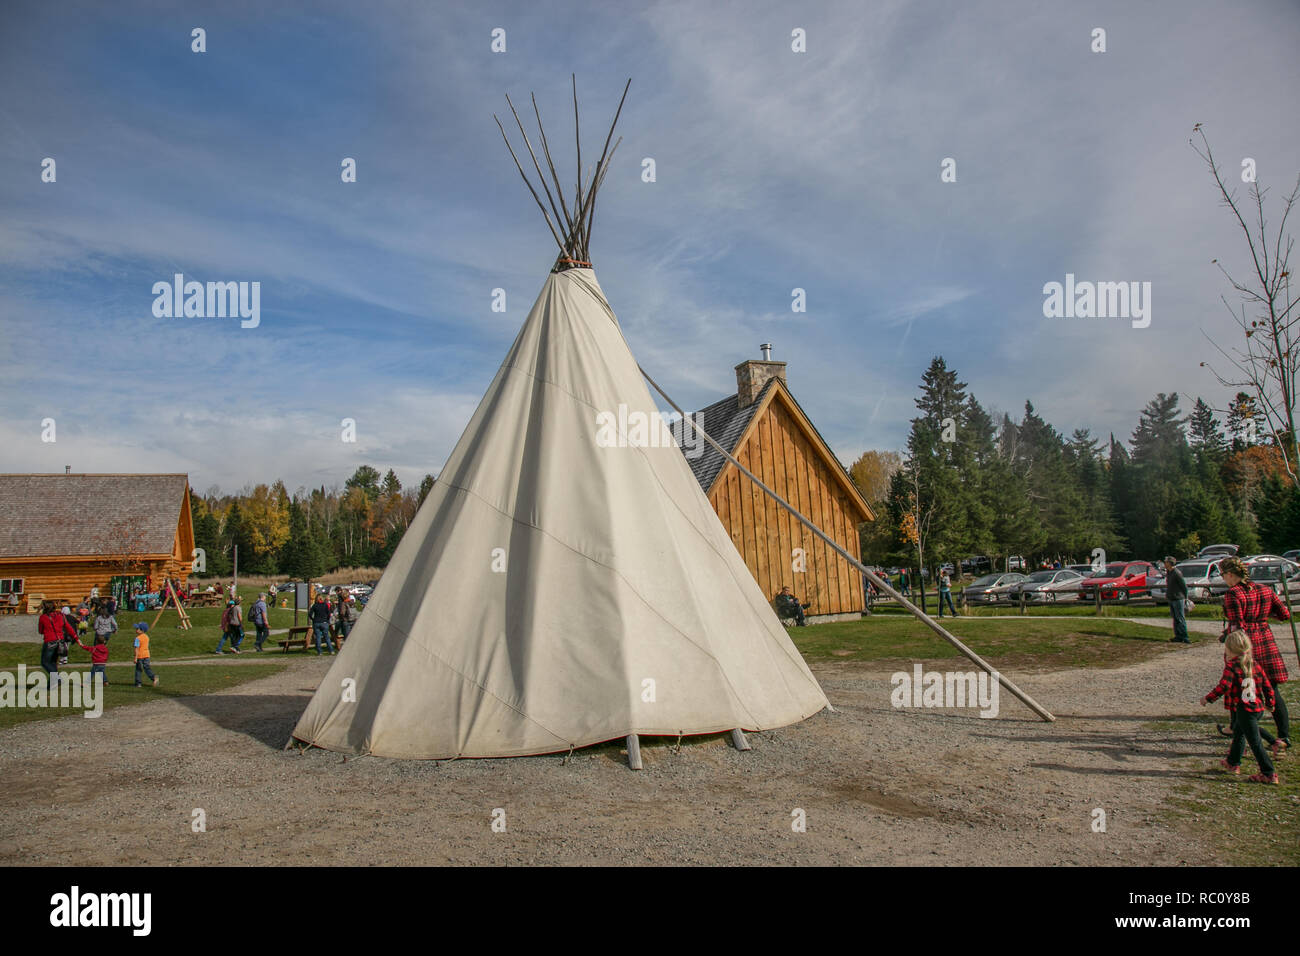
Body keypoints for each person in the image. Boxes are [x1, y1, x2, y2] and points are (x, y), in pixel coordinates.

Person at [1221, 556, 1291, 755]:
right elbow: (1284, 614)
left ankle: (1239, 741)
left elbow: (1236, 625)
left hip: (1246, 644)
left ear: (1231, 574)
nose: (1224, 579)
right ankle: (1283, 736)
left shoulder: (1233, 594)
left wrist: (1230, 644)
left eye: (1223, 575)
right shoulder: (1265, 590)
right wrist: (1261, 617)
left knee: (1242, 691)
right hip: (1266, 640)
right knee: (1273, 690)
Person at [1202, 629, 1278, 783]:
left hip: (1245, 710)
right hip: (1257, 707)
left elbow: (1223, 686)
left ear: (1230, 649)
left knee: (1255, 743)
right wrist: (1270, 703)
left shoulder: (1232, 666)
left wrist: (1208, 699)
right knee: (1238, 732)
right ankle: (1232, 762)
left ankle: (1268, 773)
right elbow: (1268, 686)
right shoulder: (1254, 664)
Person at [37, 600, 76, 688]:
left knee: (45, 662)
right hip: (60, 641)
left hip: (50, 641)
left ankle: (57, 678)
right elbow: (68, 627)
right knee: (53, 662)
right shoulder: (61, 615)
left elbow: (40, 631)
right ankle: (52, 683)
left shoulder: (43, 617)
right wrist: (75, 637)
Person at [1164, 556, 1190, 644]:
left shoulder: (1176, 573)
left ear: (1170, 563)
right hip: (1171, 598)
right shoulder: (1169, 572)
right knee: (1175, 618)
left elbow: (1184, 586)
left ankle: (1185, 636)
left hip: (1178, 598)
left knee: (1180, 618)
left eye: (1166, 562)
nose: (1165, 563)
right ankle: (1178, 636)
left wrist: (1186, 598)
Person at [133, 622, 158, 687]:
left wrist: (135, 657)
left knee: (138, 670)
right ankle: (154, 677)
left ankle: (138, 683)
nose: (136, 630)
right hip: (147, 655)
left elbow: (136, 648)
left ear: (142, 630)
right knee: (147, 668)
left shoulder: (137, 638)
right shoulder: (146, 637)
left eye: (137, 629)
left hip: (140, 656)